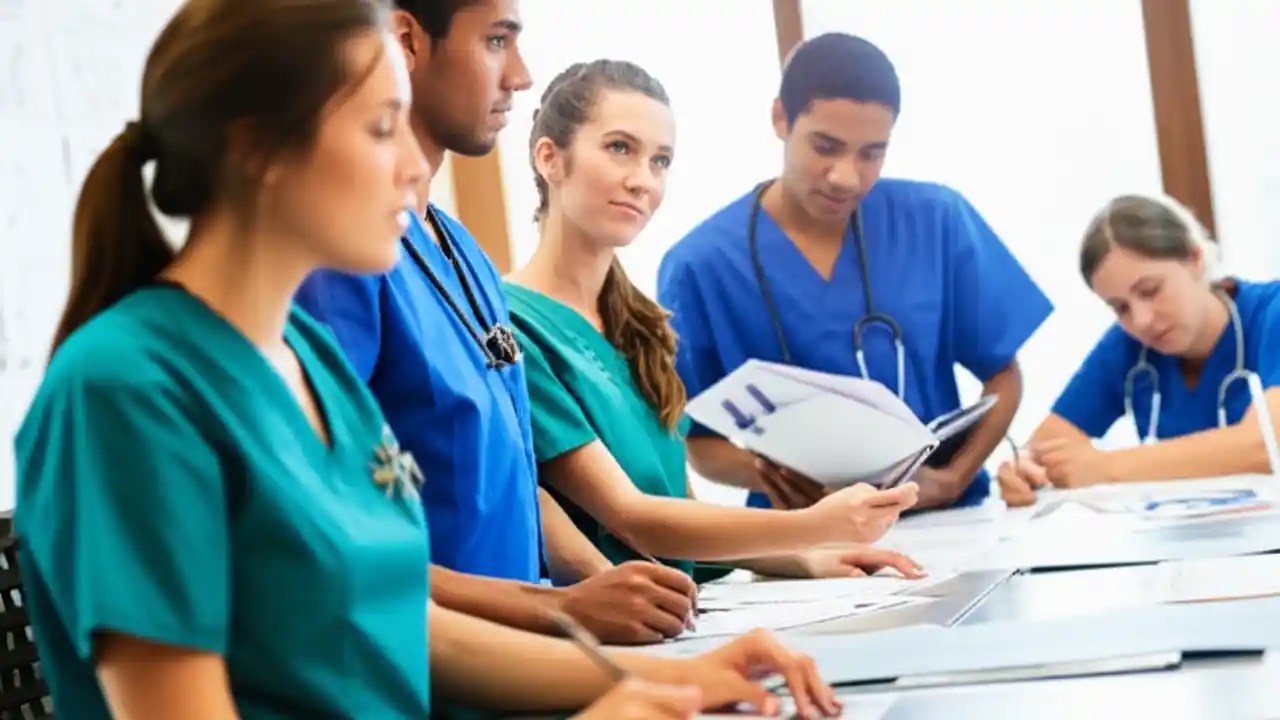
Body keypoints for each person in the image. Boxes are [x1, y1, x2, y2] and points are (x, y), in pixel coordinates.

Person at [13, 2, 842, 717]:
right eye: (380, 128)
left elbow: (403, 617)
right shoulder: (126, 393)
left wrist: (669, 678)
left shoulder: (309, 362)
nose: (414, 167)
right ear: (259, 148)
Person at [294, 0, 702, 645]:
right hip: (423, 666)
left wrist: (597, 591)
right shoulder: (343, 262)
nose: (521, 75)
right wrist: (560, 611)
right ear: (408, 39)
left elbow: (508, 483)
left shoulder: (466, 258)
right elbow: (328, 537)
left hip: (518, 655)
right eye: (495, 42)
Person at [505, 59, 922, 581]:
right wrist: (813, 526)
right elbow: (635, 519)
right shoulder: (513, 327)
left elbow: (678, 505)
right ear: (550, 158)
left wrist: (803, 558)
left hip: (689, 609)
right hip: (618, 626)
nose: (642, 181)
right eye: (619, 149)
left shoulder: (642, 323)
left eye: (660, 161)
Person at [657, 32, 1051, 512]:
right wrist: (773, 474)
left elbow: (1003, 375)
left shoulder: (936, 220)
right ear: (781, 118)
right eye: (825, 146)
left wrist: (950, 480)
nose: (846, 176)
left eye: (871, 153)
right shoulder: (700, 266)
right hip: (803, 542)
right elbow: (700, 446)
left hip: (947, 522)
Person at [997, 194, 1280, 506]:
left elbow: (1267, 443)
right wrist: (1025, 468)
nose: (1141, 320)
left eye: (1150, 290)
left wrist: (1104, 467)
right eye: (1120, 308)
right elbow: (1048, 445)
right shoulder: (1128, 347)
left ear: (1195, 259)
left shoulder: (1270, 314)